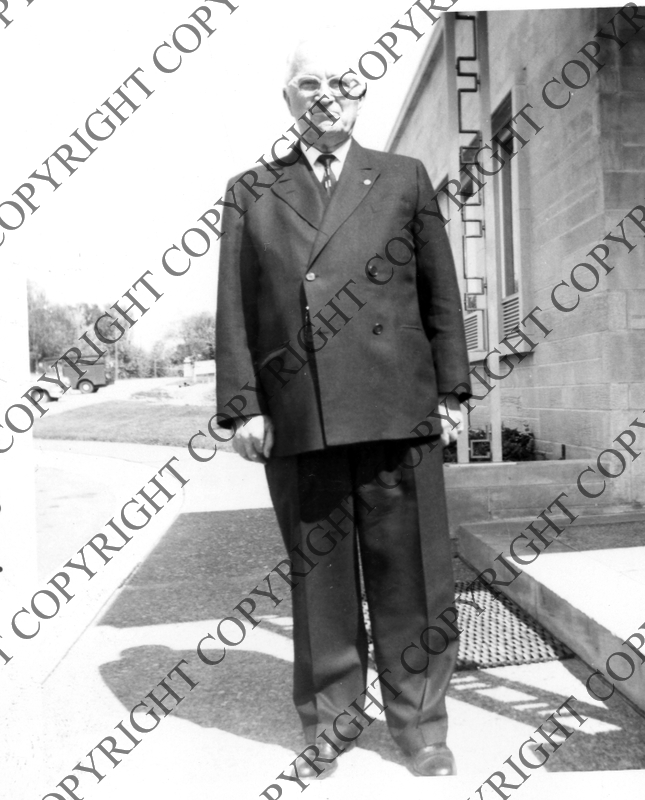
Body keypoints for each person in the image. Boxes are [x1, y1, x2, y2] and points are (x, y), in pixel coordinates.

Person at [215, 39, 471, 779]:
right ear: (288, 98)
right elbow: (236, 306)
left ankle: (421, 726)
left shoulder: (402, 176)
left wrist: (451, 392)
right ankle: (330, 723)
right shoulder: (251, 189)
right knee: (319, 582)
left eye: (344, 83)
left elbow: (440, 292)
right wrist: (244, 407)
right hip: (300, 411)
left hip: (399, 407)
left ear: (362, 95)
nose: (327, 95)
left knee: (411, 576)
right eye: (310, 83)